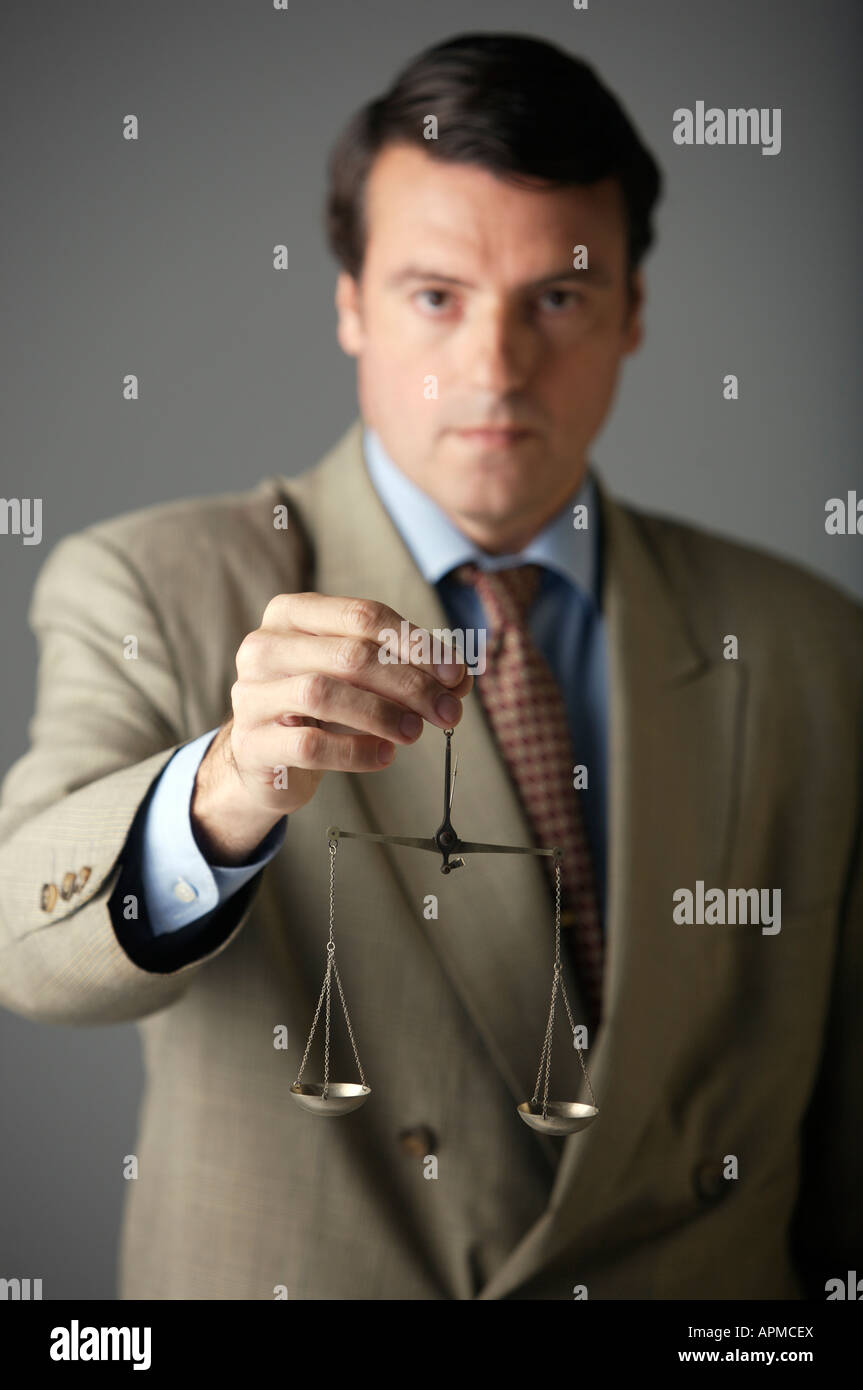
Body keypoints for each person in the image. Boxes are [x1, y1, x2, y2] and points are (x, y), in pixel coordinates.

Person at [0, 32, 859, 1301]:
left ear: (630, 311)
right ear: (347, 301)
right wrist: (228, 785)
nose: (496, 368)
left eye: (555, 298)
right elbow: (25, 935)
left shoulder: (806, 643)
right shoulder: (150, 583)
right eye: (435, 296)